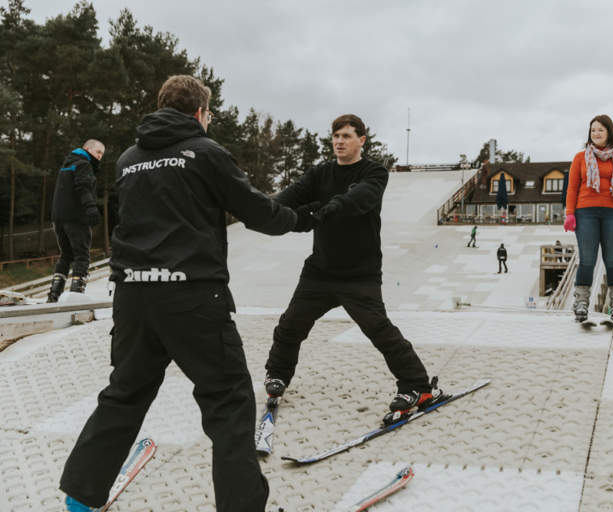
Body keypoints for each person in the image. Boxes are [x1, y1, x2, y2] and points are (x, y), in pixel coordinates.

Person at [59, 75, 302, 512]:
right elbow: (256, 212)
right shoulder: (205, 152)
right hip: (190, 297)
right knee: (229, 400)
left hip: (133, 296)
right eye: (208, 114)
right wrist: (300, 218)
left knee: (124, 394)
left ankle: (78, 499)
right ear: (199, 113)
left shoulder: (129, 159)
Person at [263, 114, 442, 419]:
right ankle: (277, 376)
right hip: (319, 271)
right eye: (335, 136)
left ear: (361, 140)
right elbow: (289, 197)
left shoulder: (373, 173)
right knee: (290, 325)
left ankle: (416, 385)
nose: (339, 142)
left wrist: (329, 208)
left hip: (359, 274)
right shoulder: (320, 174)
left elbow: (360, 199)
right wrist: (264, 208)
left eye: (346, 136)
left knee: (380, 331)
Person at [564, 114, 613, 324]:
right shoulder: (580, 157)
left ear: (609, 133)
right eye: (593, 130)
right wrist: (570, 213)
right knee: (587, 260)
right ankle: (581, 303)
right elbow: (572, 187)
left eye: (600, 130)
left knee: (612, 259)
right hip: (585, 212)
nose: (596, 134)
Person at [47, 139, 106, 302]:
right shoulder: (83, 164)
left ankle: (53, 295)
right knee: (82, 255)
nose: (99, 157)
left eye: (102, 154)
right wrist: (91, 208)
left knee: (66, 255)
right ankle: (76, 295)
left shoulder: (66, 164)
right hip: (76, 217)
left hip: (59, 217)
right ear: (87, 149)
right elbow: (83, 186)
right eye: (98, 152)